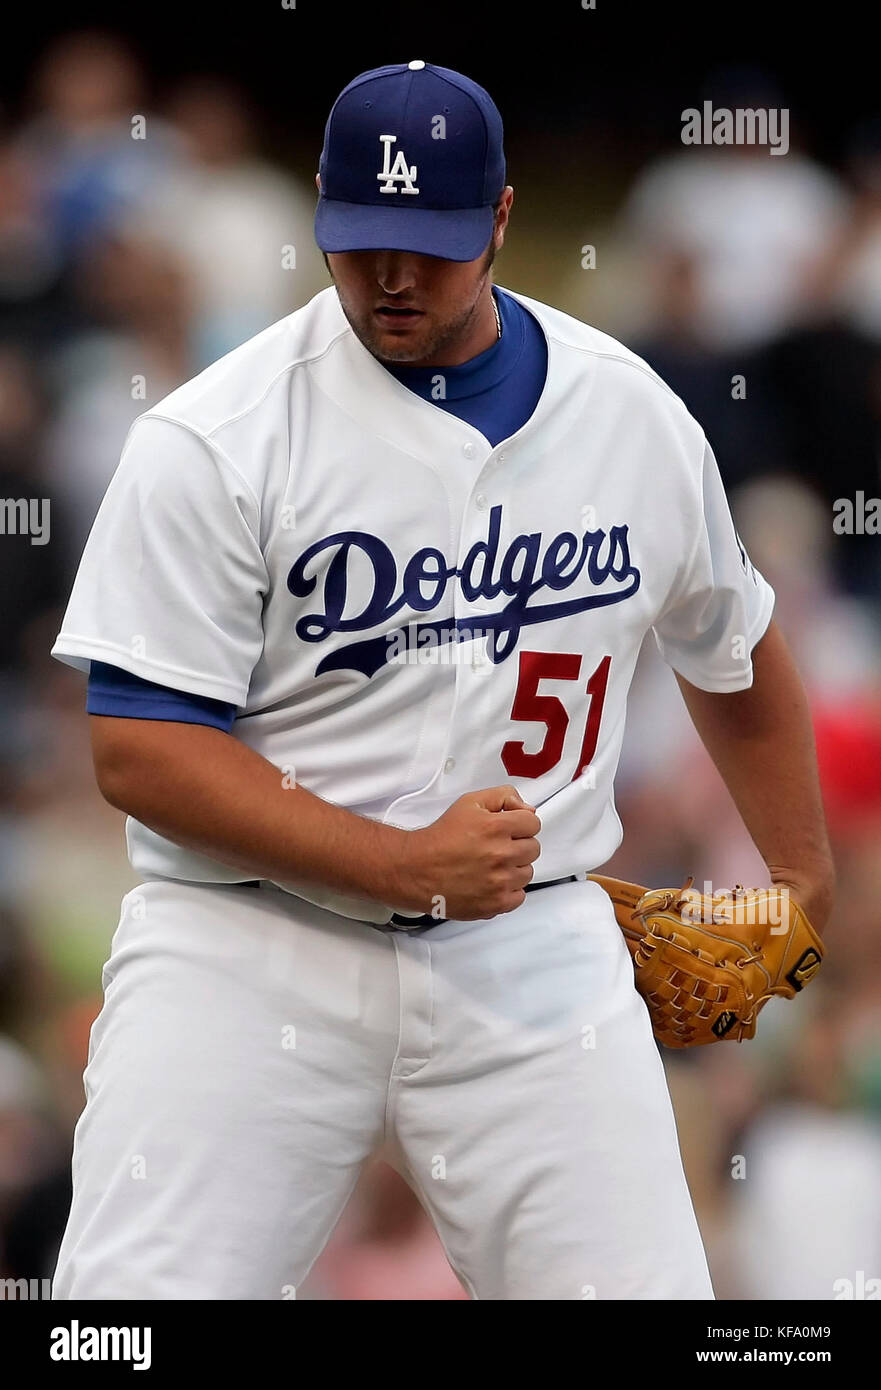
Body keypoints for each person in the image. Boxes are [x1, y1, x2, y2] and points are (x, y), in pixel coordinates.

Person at [49, 60, 834, 1300]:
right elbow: (139, 747)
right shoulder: (217, 435)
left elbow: (732, 649)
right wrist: (398, 863)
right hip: (243, 946)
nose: (392, 276)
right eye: (361, 241)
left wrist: (802, 879)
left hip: (532, 945)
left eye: (429, 245)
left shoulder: (628, 415)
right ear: (319, 208)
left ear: (501, 220)